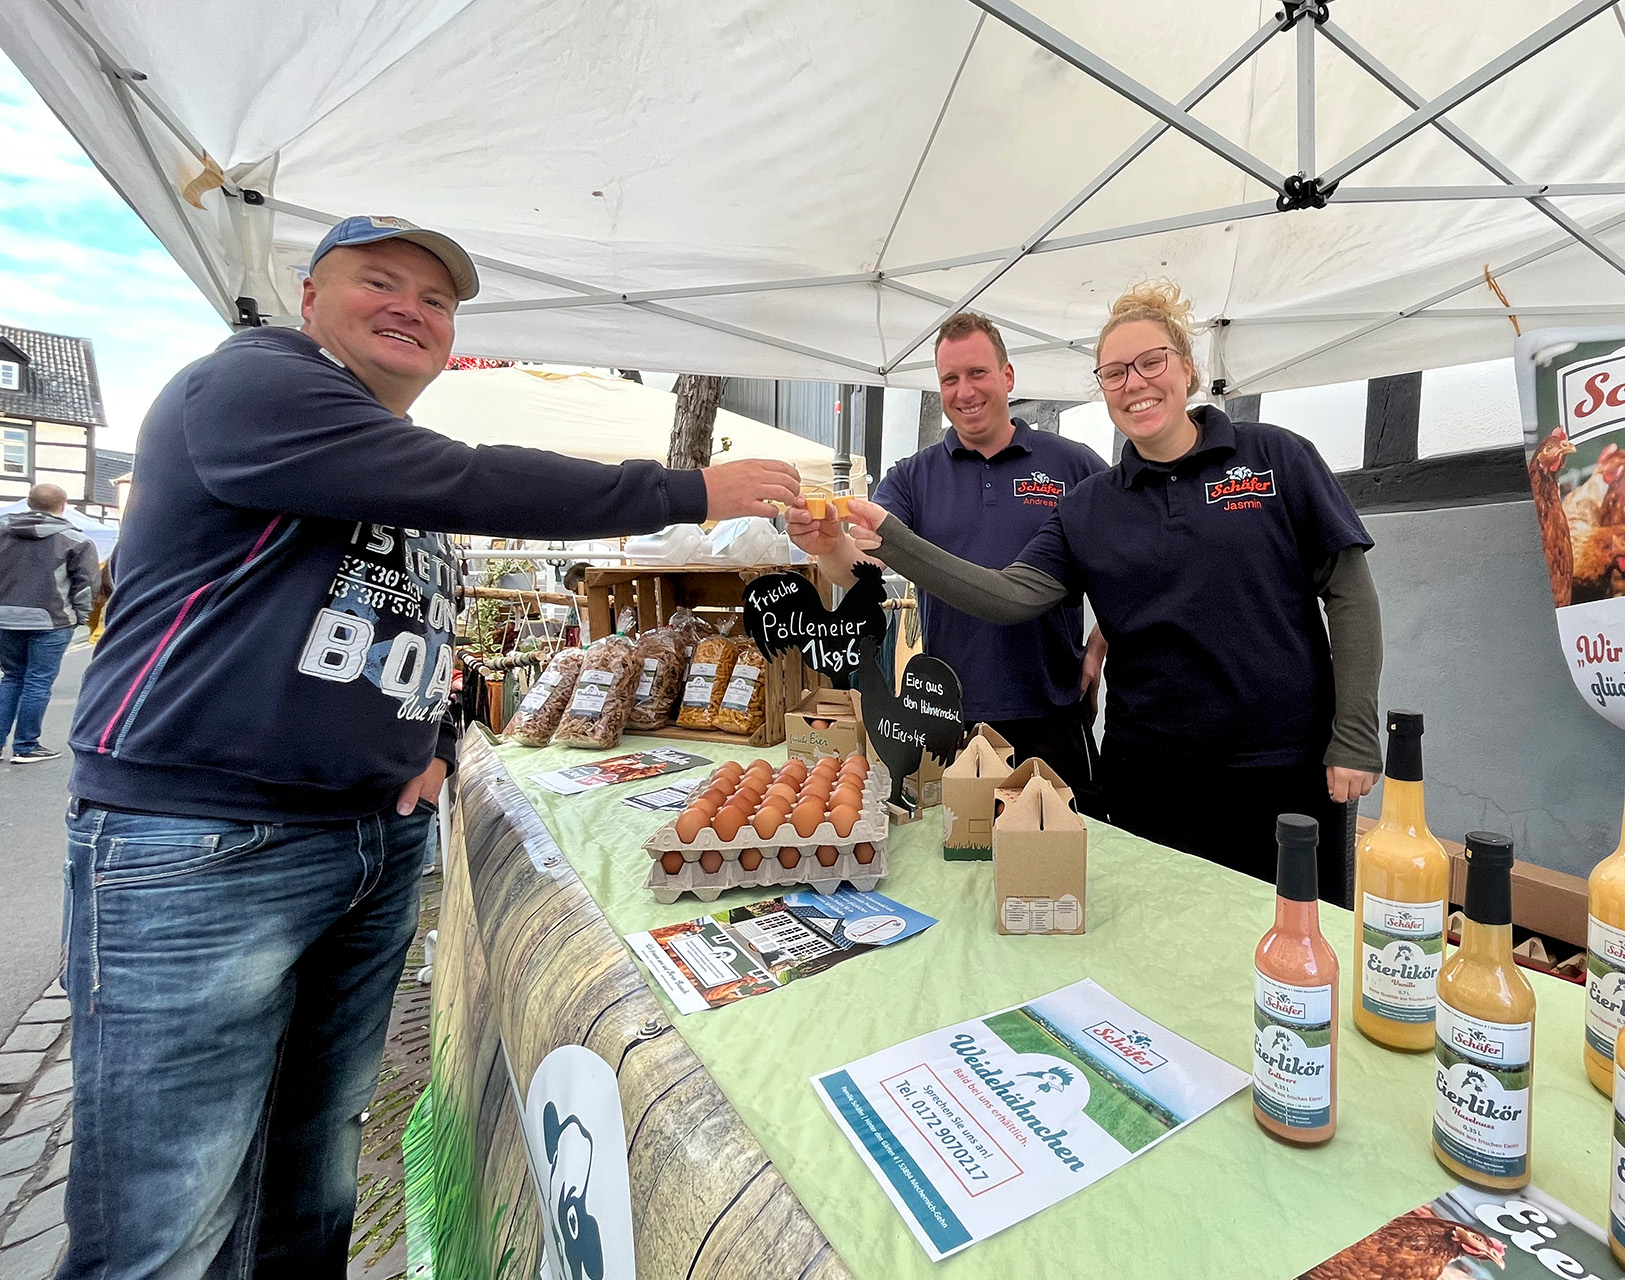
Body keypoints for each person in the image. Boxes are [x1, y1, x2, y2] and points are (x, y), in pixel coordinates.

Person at [60, 215, 801, 1277]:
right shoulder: (251, 385)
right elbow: (473, 477)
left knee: (308, 1173)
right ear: (309, 297)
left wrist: (437, 736)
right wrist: (688, 491)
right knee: (164, 1222)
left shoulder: (369, 456)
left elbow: (385, 622)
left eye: (438, 299)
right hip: (203, 843)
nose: (413, 307)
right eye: (381, 281)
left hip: (362, 838)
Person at [790, 280, 1382, 897]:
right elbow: (1007, 595)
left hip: (1279, 764)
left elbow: (1349, 592)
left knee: (1299, 949)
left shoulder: (1274, 457)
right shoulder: (1089, 506)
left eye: (1151, 362)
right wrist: (870, 538)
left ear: (1187, 368)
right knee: (1149, 939)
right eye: (1114, 372)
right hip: (1147, 767)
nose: (1135, 382)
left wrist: (1356, 735)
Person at [808, 314, 1108, 807]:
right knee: (958, 866)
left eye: (977, 373)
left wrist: (1098, 647)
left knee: (1061, 867)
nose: (964, 391)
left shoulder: (1072, 464)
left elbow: (1132, 568)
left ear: (1007, 377)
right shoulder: (912, 477)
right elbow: (857, 569)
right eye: (950, 379)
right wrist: (826, 544)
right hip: (951, 718)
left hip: (1051, 713)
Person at [0, 483, 97, 763]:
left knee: (12, 678)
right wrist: (81, 617)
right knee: (37, 682)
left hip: (5, 618)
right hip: (51, 620)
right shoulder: (75, 541)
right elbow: (85, 586)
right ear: (63, 505)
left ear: (28, 503)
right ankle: (26, 746)